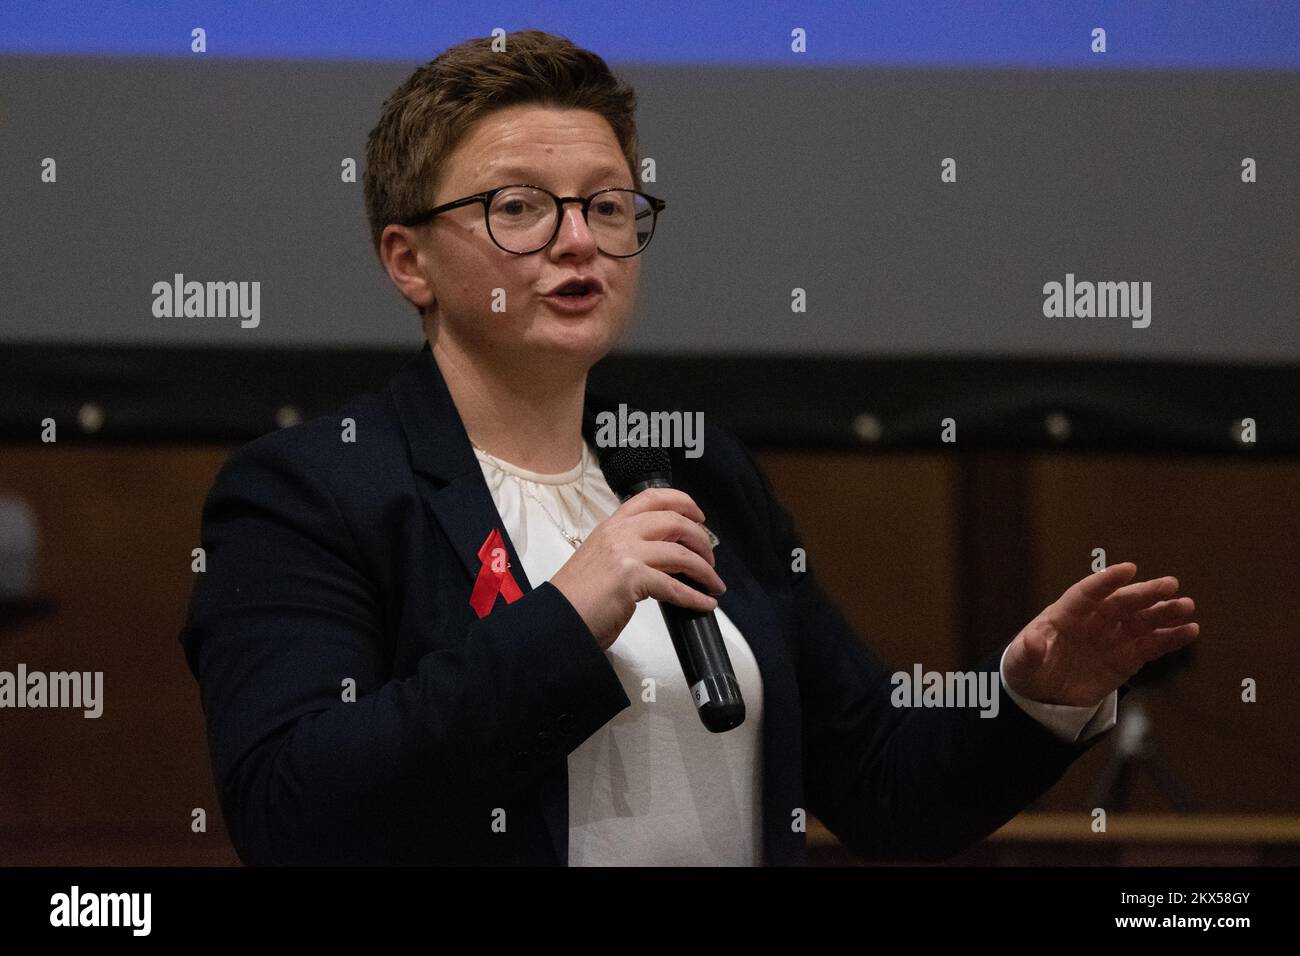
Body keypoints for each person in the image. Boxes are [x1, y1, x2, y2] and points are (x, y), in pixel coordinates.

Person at [178, 30, 1200, 866]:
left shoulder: (690, 464)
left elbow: (886, 789)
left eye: (608, 203)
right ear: (408, 259)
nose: (578, 239)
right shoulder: (313, 490)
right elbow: (294, 809)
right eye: (520, 207)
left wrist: (1028, 692)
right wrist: (572, 612)